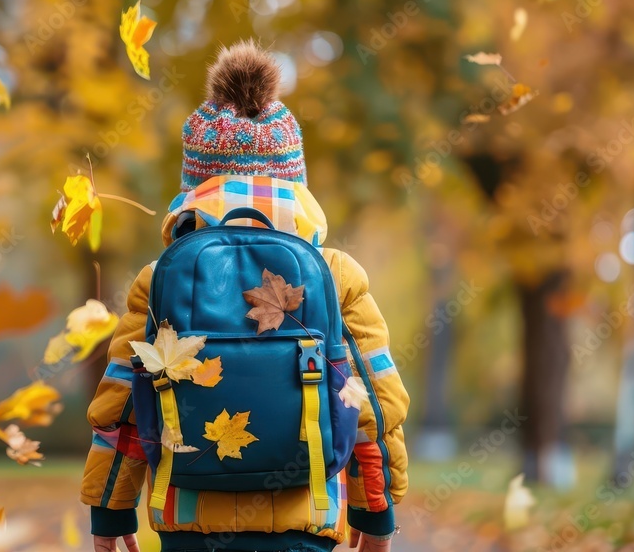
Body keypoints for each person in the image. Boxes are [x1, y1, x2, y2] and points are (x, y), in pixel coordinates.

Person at [81, 40, 409, 552]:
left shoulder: (159, 277)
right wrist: (376, 517)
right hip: (305, 516)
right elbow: (374, 401)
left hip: (186, 516)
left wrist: (110, 511)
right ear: (295, 184)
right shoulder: (334, 272)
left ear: (194, 186)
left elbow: (121, 400)